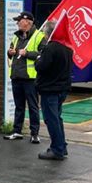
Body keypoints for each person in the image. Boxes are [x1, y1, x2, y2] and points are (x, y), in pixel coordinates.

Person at [5, 11, 46, 144]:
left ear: (27, 22)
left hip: (30, 78)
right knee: (19, 106)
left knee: (33, 106)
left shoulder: (39, 36)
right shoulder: (16, 37)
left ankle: (35, 133)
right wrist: (10, 52)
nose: (17, 23)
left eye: (19, 21)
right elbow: (11, 51)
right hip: (16, 75)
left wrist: (28, 53)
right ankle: (17, 131)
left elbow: (43, 55)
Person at [35, 21, 73, 161]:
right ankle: (62, 146)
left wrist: (38, 59)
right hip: (62, 88)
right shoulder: (67, 48)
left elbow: (42, 66)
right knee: (57, 118)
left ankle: (57, 149)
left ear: (48, 33)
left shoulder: (50, 48)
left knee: (51, 119)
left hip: (49, 89)